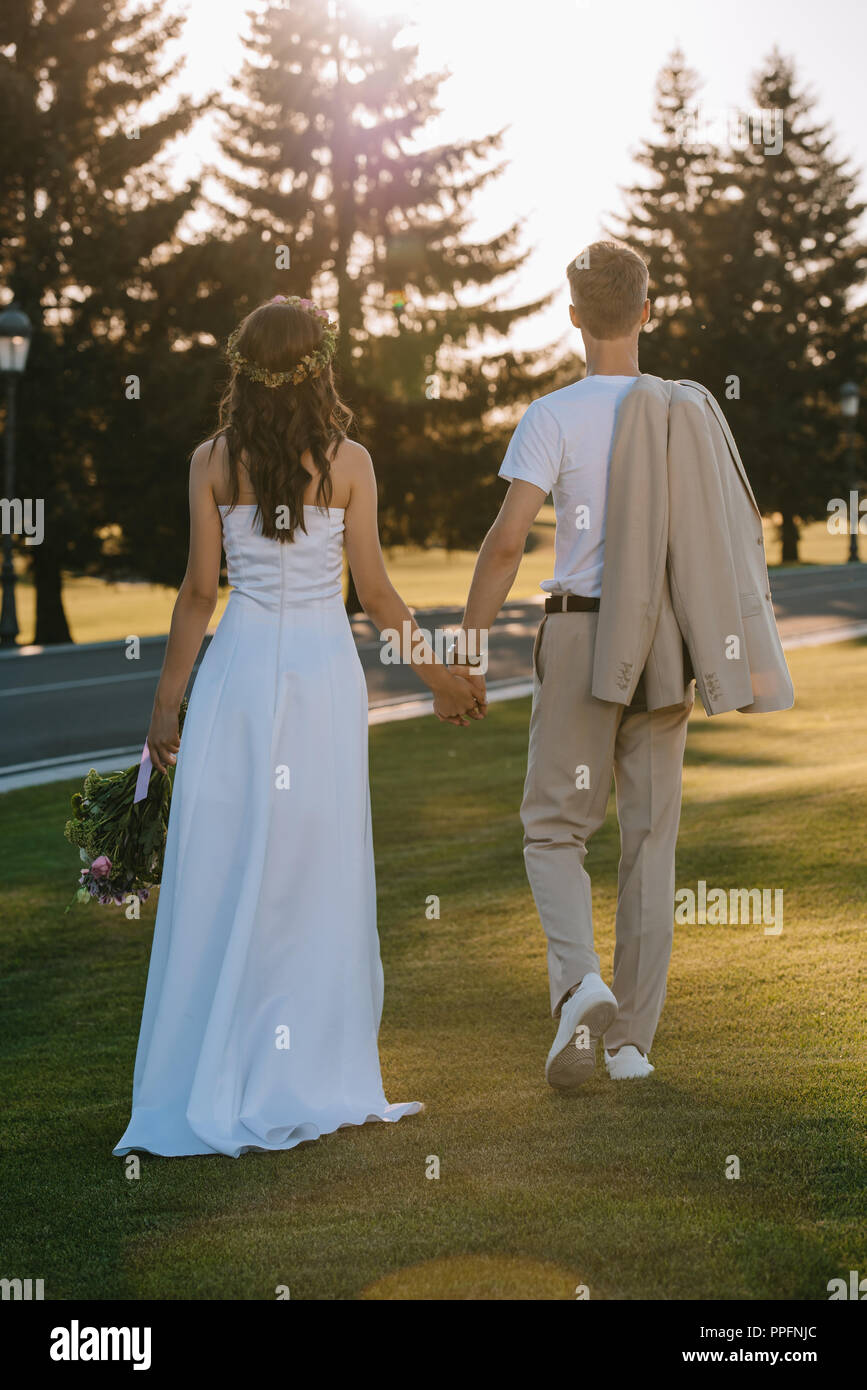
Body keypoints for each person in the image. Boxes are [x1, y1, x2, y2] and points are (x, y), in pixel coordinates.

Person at [114, 295, 481, 1158]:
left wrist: (168, 702)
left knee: (231, 861)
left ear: (241, 369)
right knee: (309, 867)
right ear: (321, 369)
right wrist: (436, 675)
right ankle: (303, 1070)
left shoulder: (211, 460)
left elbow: (200, 594)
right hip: (319, 675)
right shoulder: (350, 461)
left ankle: (213, 1072)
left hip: (237, 675)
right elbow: (378, 594)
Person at [452, 241, 793, 1091]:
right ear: (647, 311)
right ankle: (629, 1044)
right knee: (649, 842)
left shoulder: (552, 416)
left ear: (573, 316)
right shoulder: (686, 413)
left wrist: (466, 641)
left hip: (579, 640)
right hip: (665, 644)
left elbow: (504, 544)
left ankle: (578, 981)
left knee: (554, 828)